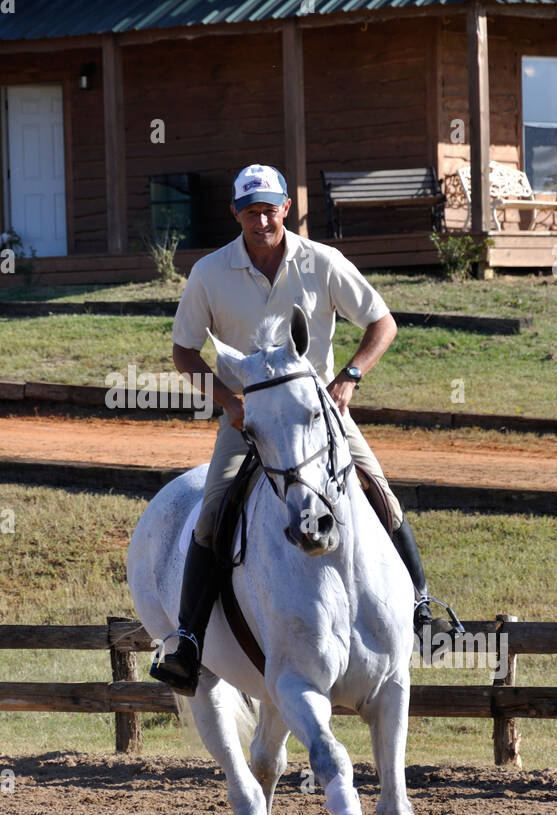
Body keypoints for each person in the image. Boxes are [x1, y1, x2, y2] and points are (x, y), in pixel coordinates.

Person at [151, 163, 454, 698]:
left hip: (320, 415)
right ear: (236, 215)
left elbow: (383, 323)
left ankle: (423, 608)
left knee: (379, 490)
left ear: (286, 208)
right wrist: (227, 400)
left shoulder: (323, 262)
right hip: (246, 417)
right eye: (250, 212)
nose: (261, 220)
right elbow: (182, 350)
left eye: (269, 209)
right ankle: (188, 641)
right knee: (212, 512)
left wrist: (350, 377)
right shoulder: (210, 272)